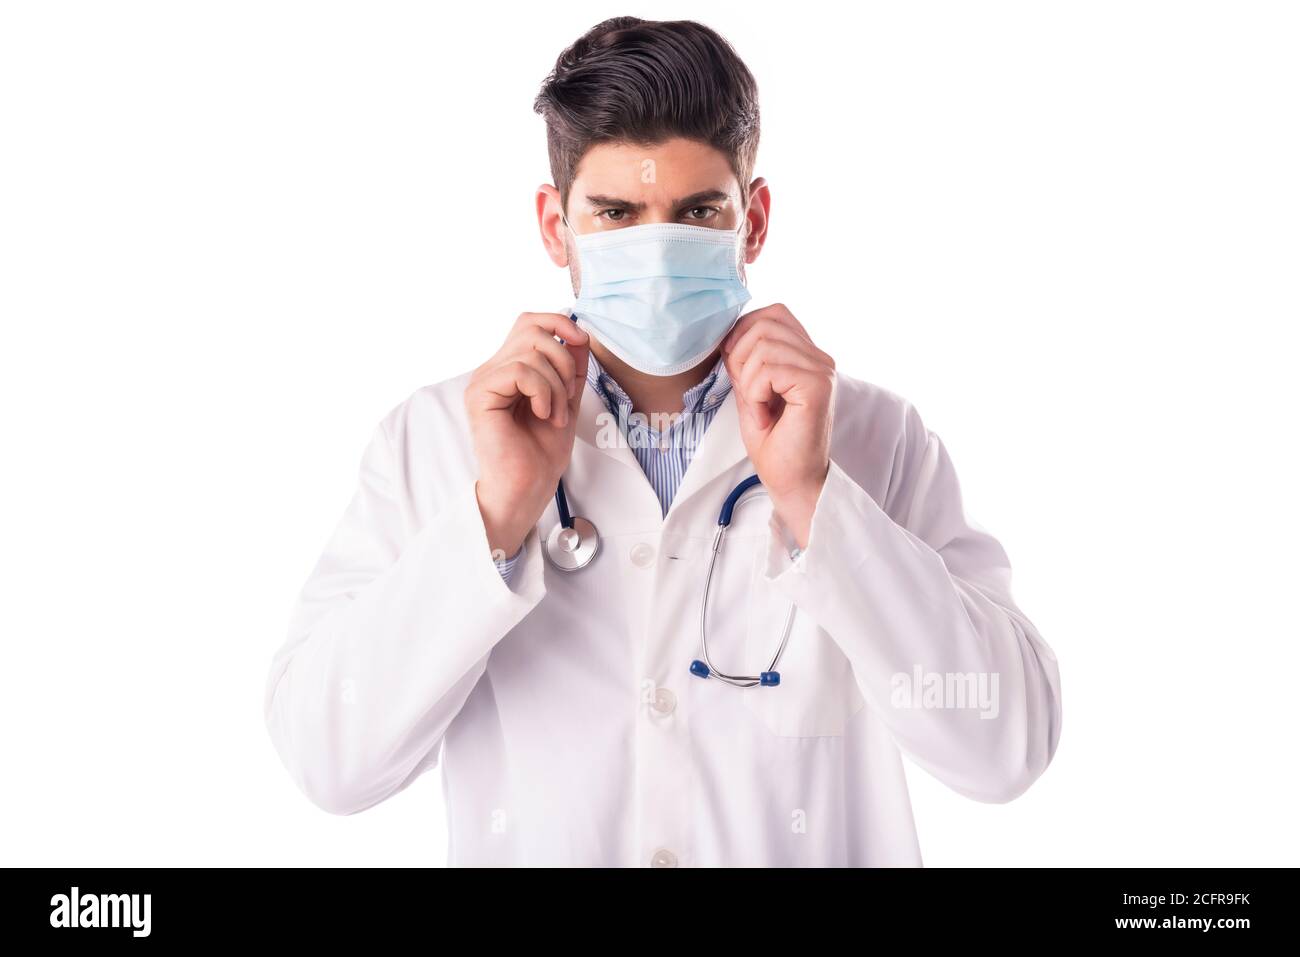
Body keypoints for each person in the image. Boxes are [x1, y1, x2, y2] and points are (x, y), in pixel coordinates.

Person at [262, 16, 1062, 867]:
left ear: (751, 220)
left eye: (695, 211)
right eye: (614, 212)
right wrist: (493, 519)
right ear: (552, 223)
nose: (656, 246)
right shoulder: (435, 440)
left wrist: (817, 501)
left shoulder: (876, 439)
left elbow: (1004, 748)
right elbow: (328, 761)